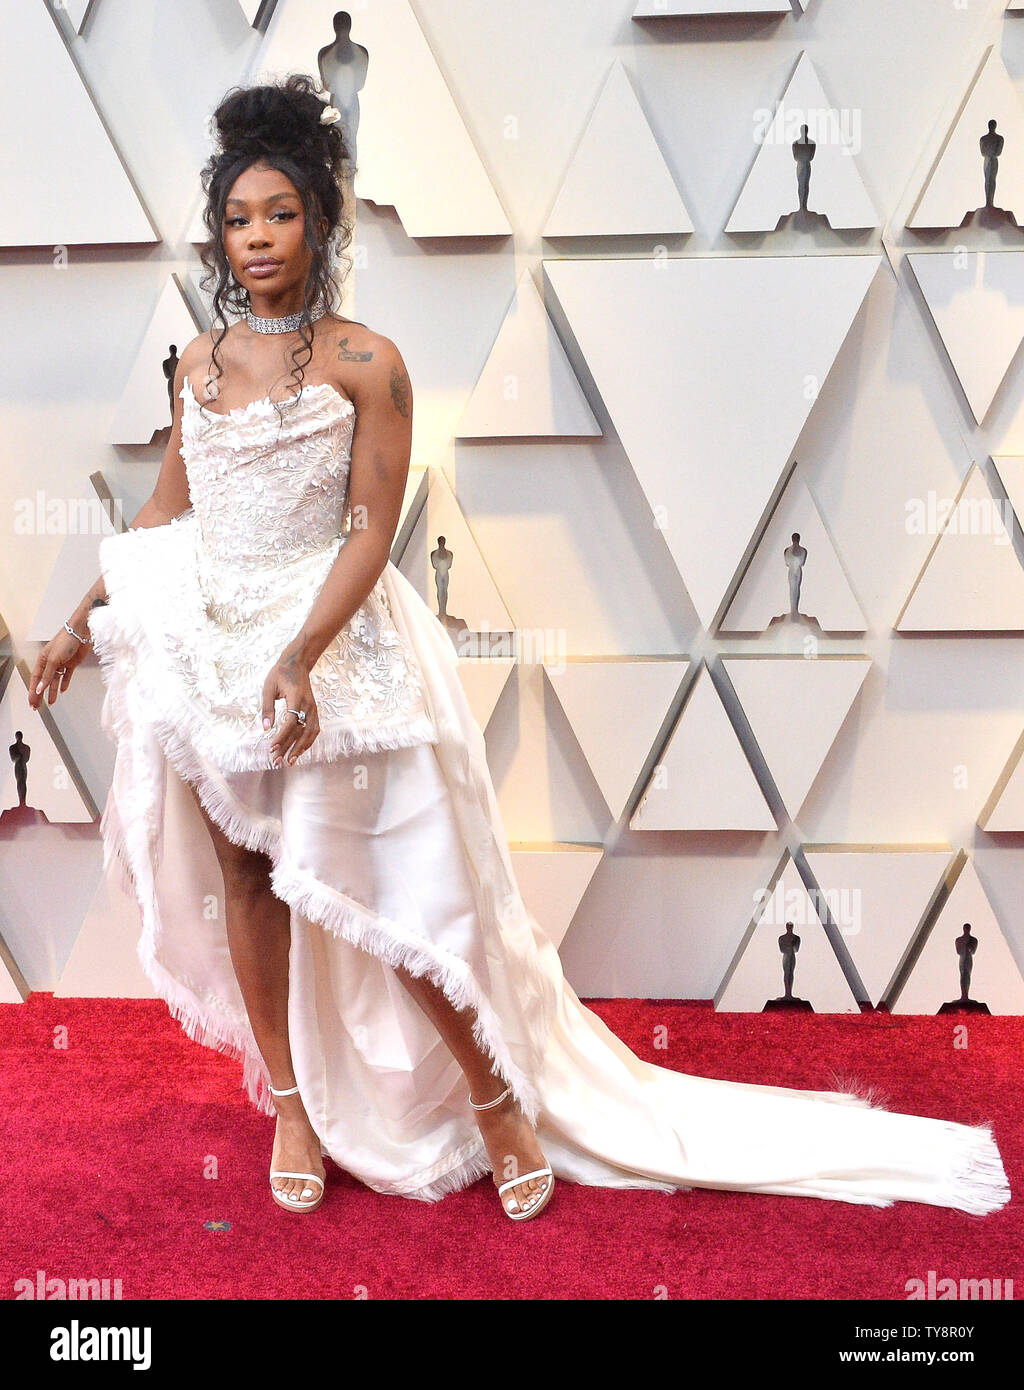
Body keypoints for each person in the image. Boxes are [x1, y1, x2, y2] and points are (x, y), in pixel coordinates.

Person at [30, 75, 1010, 1223]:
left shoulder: (367, 362)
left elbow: (370, 529)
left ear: (319, 223)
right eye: (239, 217)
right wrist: (74, 620)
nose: (257, 238)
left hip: (334, 646)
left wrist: (301, 652)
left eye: (280, 214)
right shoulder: (195, 364)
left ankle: (498, 1098)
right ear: (218, 231)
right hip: (215, 646)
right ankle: (293, 1103)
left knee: (383, 887)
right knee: (250, 876)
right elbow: (165, 517)